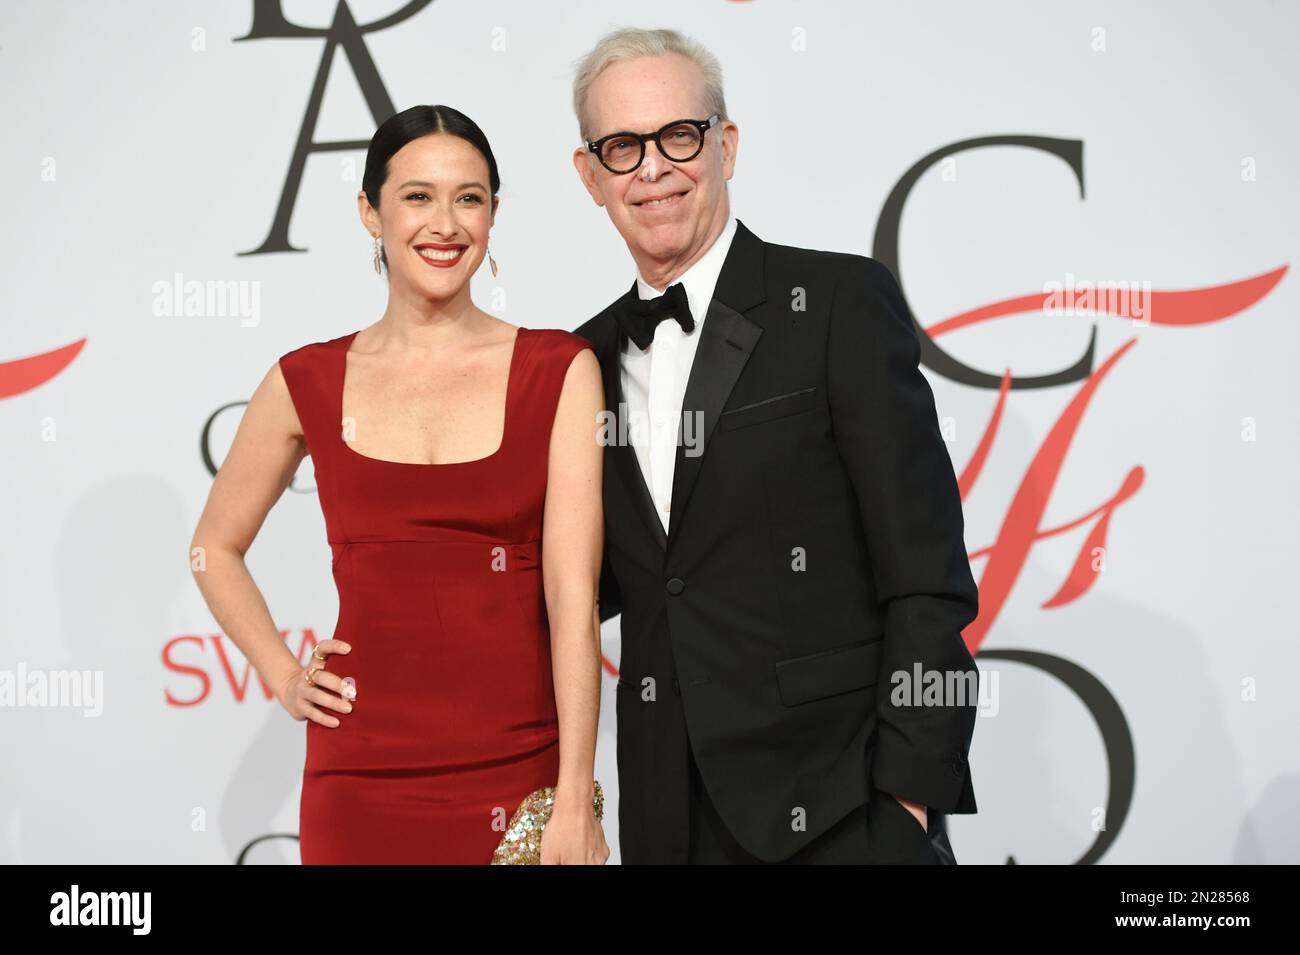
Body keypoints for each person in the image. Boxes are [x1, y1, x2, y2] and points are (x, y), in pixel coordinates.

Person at [570, 29, 980, 864]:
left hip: (839, 810)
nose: (652, 168)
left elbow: (927, 578)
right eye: (621, 147)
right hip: (664, 818)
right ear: (590, 176)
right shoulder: (579, 363)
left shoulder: (836, 304)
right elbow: (590, 584)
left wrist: (905, 805)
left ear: (725, 144)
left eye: (677, 135)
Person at [190, 105, 609, 864]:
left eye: (470, 197)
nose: (444, 223)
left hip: (520, 770)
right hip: (358, 779)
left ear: (493, 214)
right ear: (369, 212)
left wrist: (576, 795)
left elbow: (572, 599)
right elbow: (214, 547)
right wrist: (285, 676)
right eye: (417, 196)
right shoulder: (305, 379)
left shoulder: (559, 371)